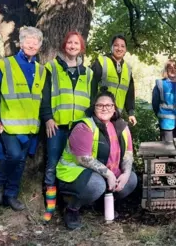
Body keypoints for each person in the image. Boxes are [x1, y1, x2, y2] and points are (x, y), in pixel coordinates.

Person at [56, 88, 137, 230]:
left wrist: (125, 174)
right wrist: (109, 174)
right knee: (96, 184)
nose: (104, 108)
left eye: (108, 105)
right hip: (73, 175)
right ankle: (72, 209)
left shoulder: (122, 127)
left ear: (114, 108)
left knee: (131, 180)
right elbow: (83, 158)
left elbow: (128, 154)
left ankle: (102, 204)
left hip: (103, 174)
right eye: (100, 105)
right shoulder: (84, 126)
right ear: (94, 108)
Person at [0, 27, 47, 211]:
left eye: (35, 42)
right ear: (21, 43)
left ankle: (11, 195)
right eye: (28, 41)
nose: (31, 44)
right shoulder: (6, 64)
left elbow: (41, 99)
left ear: (40, 45)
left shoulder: (41, 70)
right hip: (8, 124)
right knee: (13, 155)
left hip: (30, 126)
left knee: (21, 161)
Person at [40, 31, 93, 222]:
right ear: (64, 45)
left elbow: (91, 102)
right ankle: (50, 206)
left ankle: (69, 203)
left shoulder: (88, 73)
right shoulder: (52, 68)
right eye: (69, 42)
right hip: (57, 126)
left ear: (81, 47)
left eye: (76, 43)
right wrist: (47, 117)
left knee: (76, 164)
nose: (72, 46)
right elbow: (44, 94)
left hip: (78, 129)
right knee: (52, 164)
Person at [90, 34, 136, 126]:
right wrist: (91, 109)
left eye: (122, 46)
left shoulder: (128, 68)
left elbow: (130, 93)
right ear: (111, 47)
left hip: (117, 115)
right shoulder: (101, 62)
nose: (119, 48)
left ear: (126, 49)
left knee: (115, 140)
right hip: (100, 114)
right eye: (116, 45)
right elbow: (91, 87)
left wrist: (131, 113)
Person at [152, 59, 176, 141]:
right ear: (166, 70)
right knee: (167, 150)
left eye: (175, 68)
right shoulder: (160, 84)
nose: (173, 70)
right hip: (166, 124)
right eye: (170, 68)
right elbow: (155, 104)